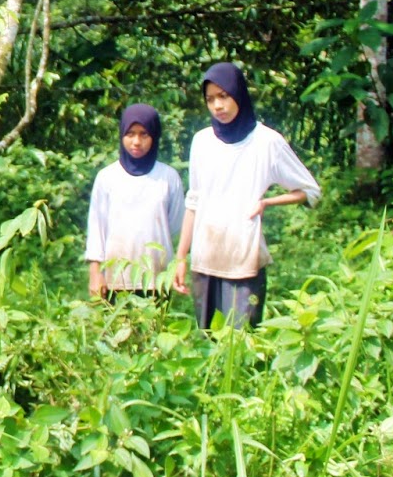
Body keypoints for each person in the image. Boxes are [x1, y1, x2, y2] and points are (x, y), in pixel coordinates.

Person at [172, 63, 321, 329]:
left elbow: (310, 191)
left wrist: (266, 202)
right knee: (209, 342)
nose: (218, 105)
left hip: (244, 256)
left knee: (243, 342)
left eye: (224, 96)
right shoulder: (202, 142)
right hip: (205, 257)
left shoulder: (266, 142)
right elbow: (193, 203)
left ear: (238, 94)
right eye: (210, 99)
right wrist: (181, 257)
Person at [85, 103, 184, 300]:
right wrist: (95, 273)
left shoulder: (168, 177)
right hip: (115, 279)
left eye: (144, 134)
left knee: (155, 330)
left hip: (157, 279)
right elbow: (97, 228)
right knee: (116, 329)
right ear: (121, 135)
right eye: (130, 134)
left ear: (154, 137)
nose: (136, 142)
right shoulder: (107, 178)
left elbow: (174, 224)